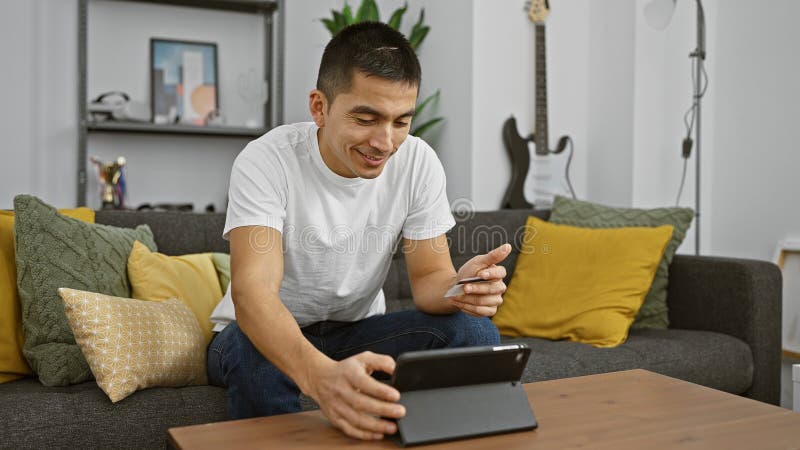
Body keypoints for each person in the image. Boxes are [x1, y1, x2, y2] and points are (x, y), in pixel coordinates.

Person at [207, 21, 511, 441]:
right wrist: (320, 377)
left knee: (475, 331)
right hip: (250, 335)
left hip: (357, 331)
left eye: (401, 121)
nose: (384, 142)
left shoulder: (418, 162)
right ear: (319, 107)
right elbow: (253, 295)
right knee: (255, 353)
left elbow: (429, 281)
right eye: (366, 119)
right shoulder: (267, 160)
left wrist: (461, 287)